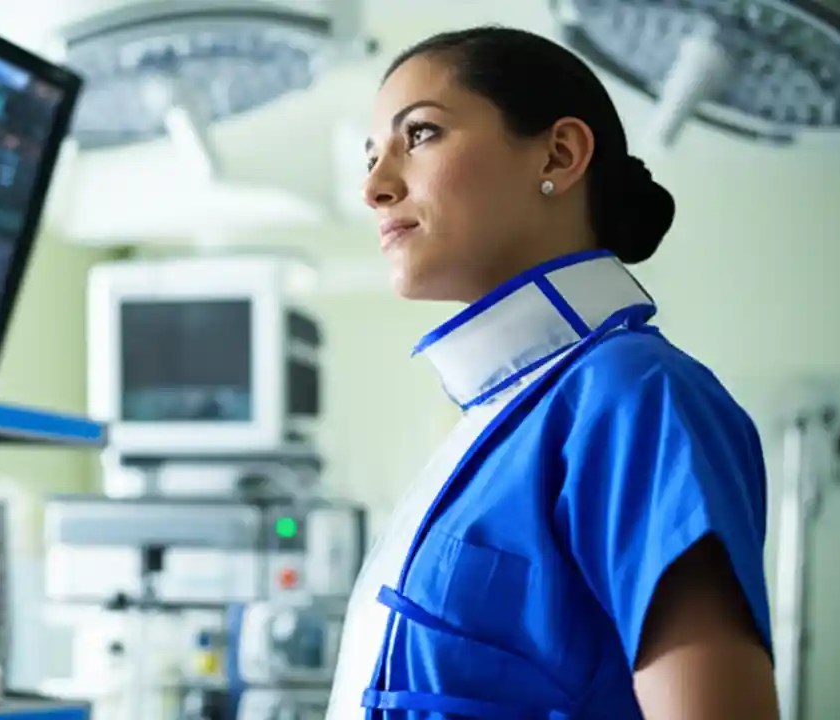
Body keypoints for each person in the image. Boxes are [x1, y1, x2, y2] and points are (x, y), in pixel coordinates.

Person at [326, 26, 779, 719]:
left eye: (418, 136)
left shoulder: (640, 399)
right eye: (370, 155)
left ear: (560, 154)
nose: (374, 187)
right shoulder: (490, 427)